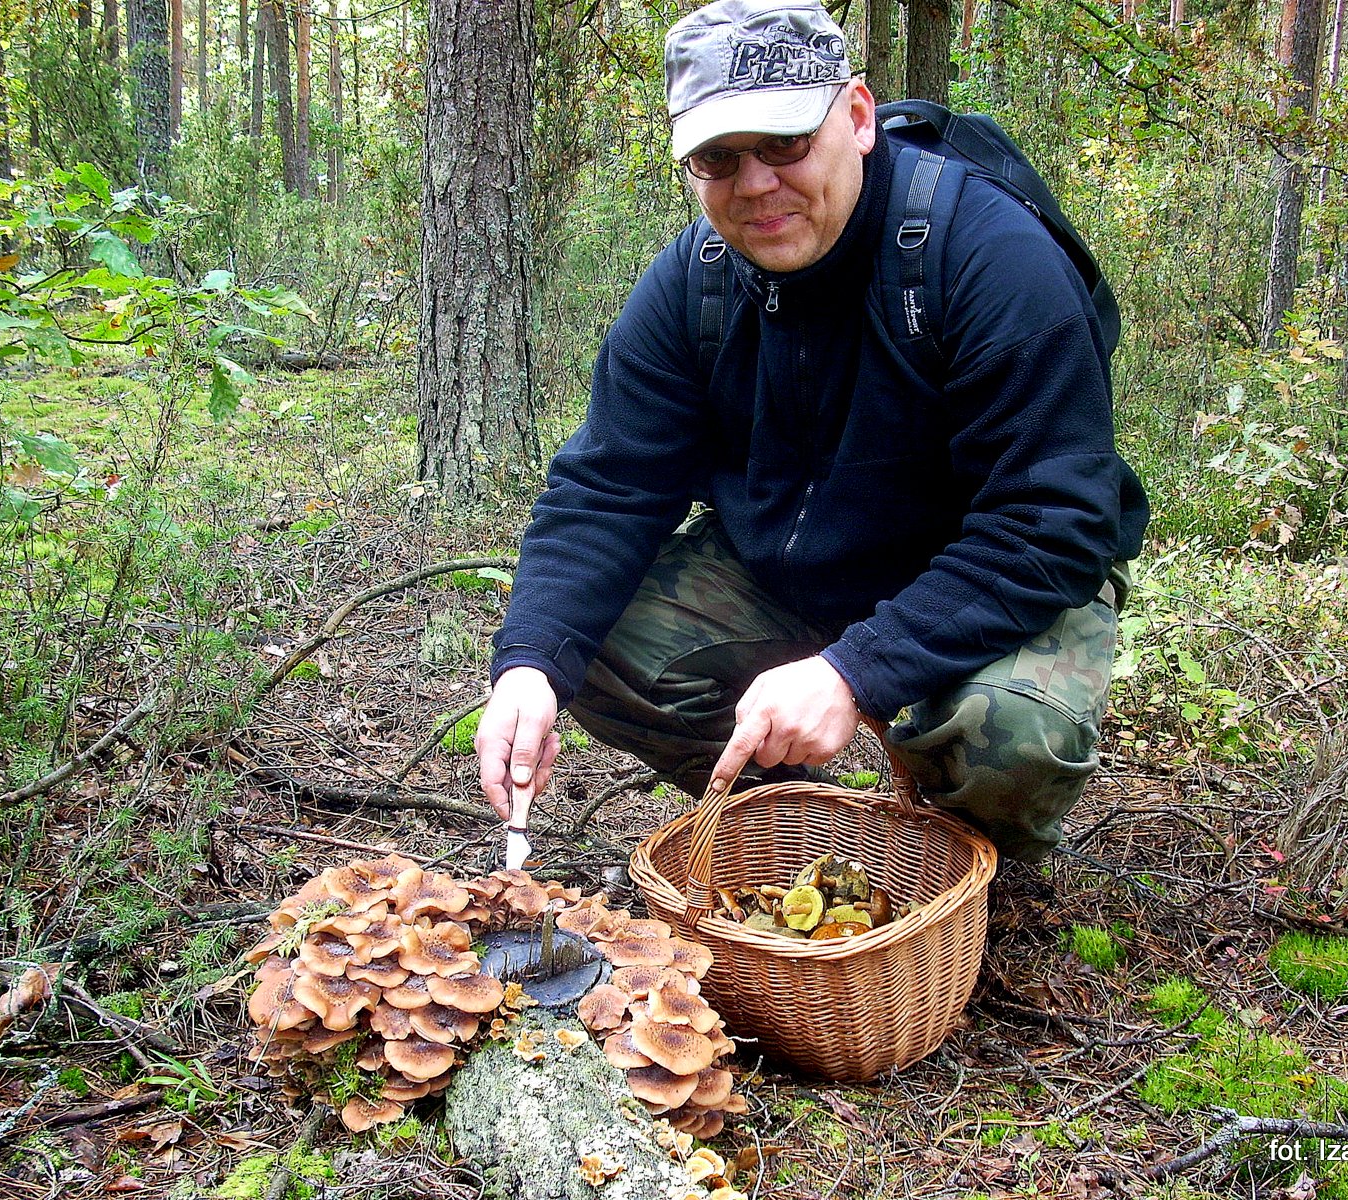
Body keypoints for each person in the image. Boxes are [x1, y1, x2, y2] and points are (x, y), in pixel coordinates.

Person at [475, 0, 1148, 863]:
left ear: (858, 117)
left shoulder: (989, 257)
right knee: (588, 645)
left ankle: (957, 872)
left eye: (785, 143)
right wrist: (530, 663)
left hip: (987, 576)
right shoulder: (695, 282)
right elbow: (608, 486)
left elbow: (1054, 520)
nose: (755, 184)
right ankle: (817, 849)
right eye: (719, 157)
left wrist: (852, 672)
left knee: (1009, 735)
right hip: (796, 570)